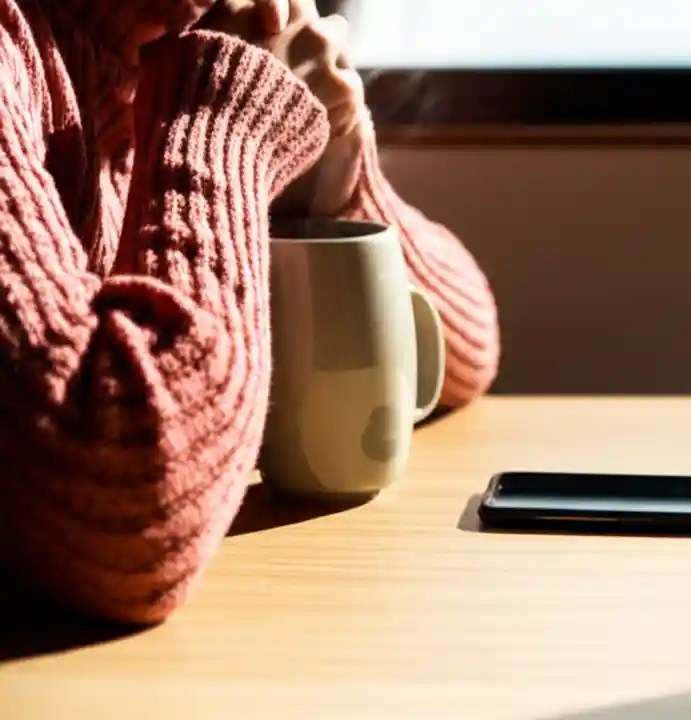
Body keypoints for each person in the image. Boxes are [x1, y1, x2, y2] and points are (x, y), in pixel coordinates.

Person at [0, 0, 499, 624]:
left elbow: (461, 352)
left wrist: (334, 174)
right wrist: (231, 127)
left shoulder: (168, 30)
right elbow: (128, 505)